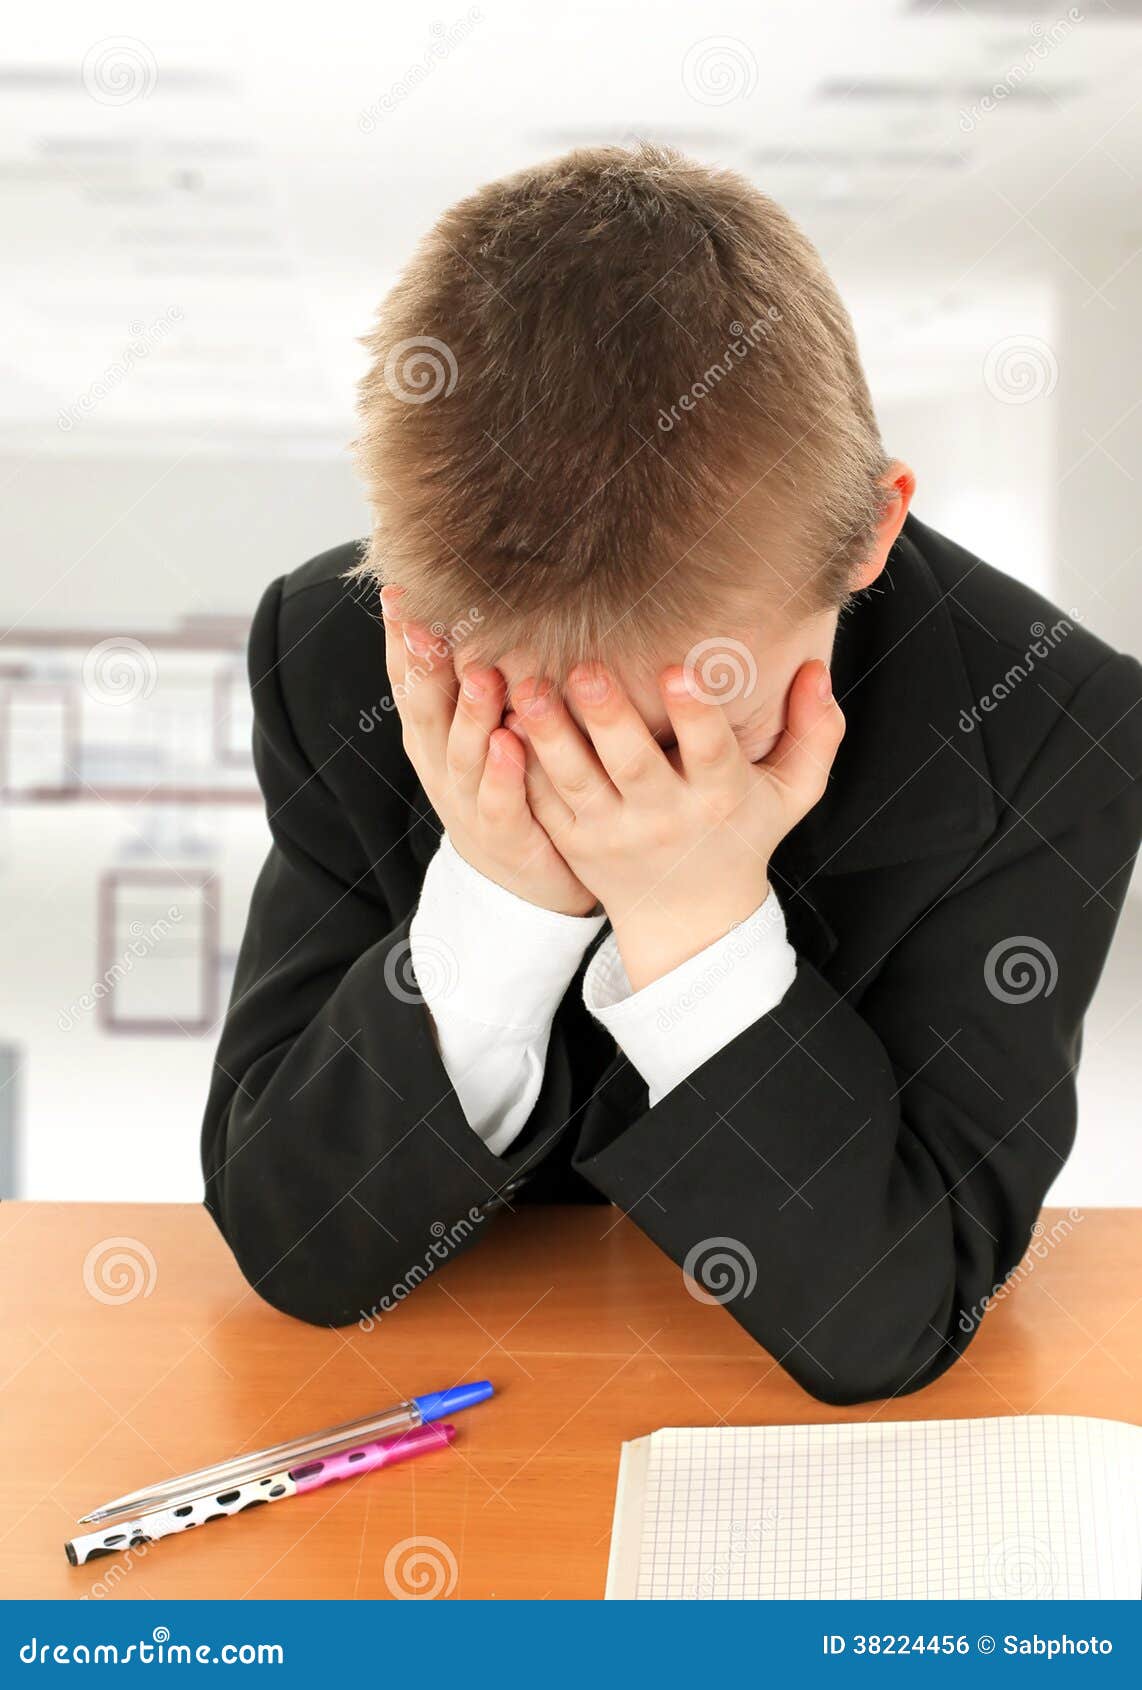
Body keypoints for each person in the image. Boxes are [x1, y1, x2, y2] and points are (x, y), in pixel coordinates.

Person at [202, 144, 1142, 1405]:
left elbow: (895, 1317)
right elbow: (301, 1246)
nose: (600, 773)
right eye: (527, 698)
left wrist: (693, 925)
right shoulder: (343, 652)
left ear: (869, 531)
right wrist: (500, 896)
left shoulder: (1052, 723)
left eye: (687, 712)